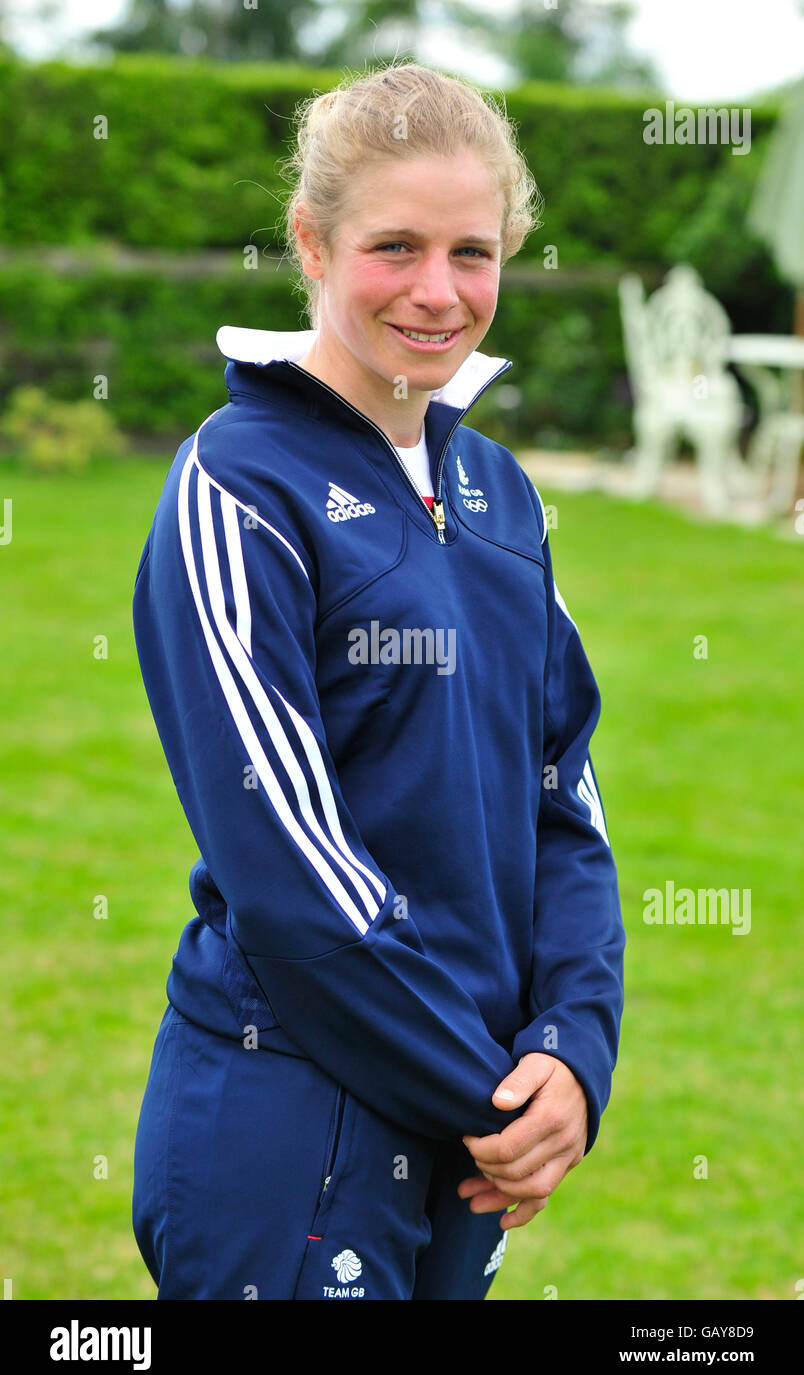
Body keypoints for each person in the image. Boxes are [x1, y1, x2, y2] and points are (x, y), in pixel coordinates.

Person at [131, 60, 626, 1302]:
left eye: (474, 251)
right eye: (394, 246)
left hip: (475, 1134)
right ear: (311, 241)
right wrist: (498, 1103)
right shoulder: (238, 488)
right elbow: (290, 873)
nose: (439, 292)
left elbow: (563, 804)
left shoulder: (501, 492)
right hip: (296, 1118)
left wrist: (570, 1054)